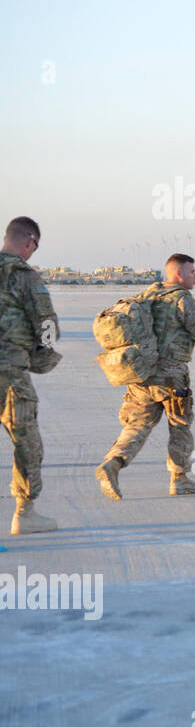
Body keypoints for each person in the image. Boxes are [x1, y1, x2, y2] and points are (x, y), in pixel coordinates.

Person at [95, 253, 195, 500]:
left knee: (137, 425)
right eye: (192, 271)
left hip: (142, 374)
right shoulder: (182, 299)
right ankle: (179, 479)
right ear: (178, 274)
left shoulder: (145, 296)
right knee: (180, 426)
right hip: (172, 377)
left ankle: (114, 462)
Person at [0, 217, 61, 534]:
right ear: (30, 241)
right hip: (10, 371)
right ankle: (24, 513)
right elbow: (47, 325)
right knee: (26, 441)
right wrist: (43, 359)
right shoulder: (25, 276)